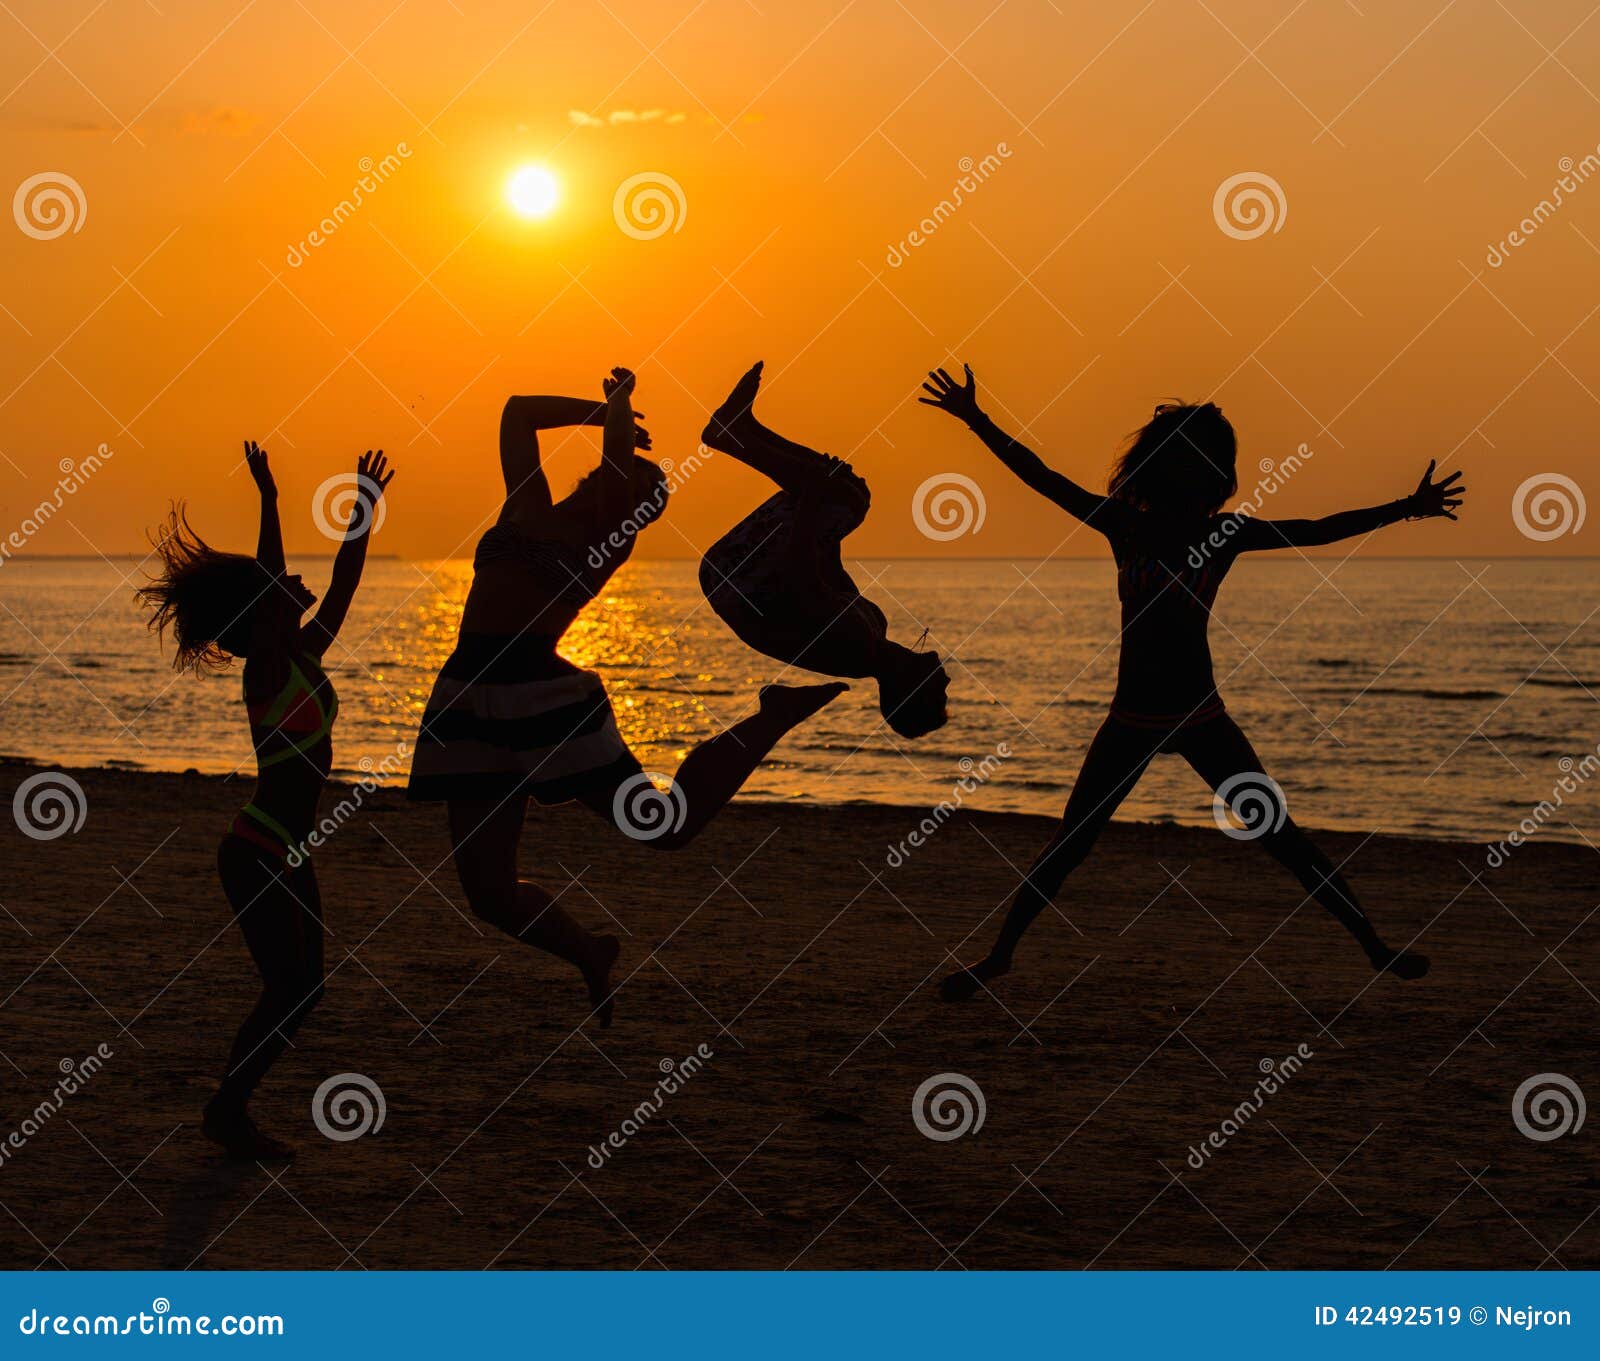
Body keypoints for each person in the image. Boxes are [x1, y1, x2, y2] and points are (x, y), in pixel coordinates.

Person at [919, 365, 1465, 1000]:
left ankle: (1374, 946)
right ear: (1164, 465)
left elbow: (1319, 529)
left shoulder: (1223, 535)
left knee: (1280, 835)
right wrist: (975, 419)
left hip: (1199, 715)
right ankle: (1000, 957)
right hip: (1132, 717)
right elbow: (1040, 477)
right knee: (1072, 842)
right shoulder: (1125, 525)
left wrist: (1407, 508)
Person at [407, 368, 844, 1025]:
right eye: (641, 480)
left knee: (663, 826)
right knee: (489, 893)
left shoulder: (604, 536)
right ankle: (589, 951)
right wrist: (596, 407)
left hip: (539, 692)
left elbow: (615, 467)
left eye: (646, 496)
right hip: (468, 694)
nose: (634, 488)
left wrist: (618, 403)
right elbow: (518, 410)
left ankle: (767, 720)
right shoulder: (528, 505)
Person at [137, 443, 394, 1159]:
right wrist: (271, 505)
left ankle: (229, 1108)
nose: (294, 585)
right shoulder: (268, 673)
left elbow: (339, 582)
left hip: (289, 852)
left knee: (306, 989)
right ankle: (227, 1111)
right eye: (278, 590)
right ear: (263, 615)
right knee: (288, 988)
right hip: (257, 854)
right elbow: (270, 578)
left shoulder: (301, 653)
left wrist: (358, 511)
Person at [698, 361, 950, 736]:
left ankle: (730, 433)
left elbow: (802, 574)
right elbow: (829, 570)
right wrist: (821, 490)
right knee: (847, 493)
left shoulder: (855, 644)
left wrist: (813, 496)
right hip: (741, 578)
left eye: (940, 695)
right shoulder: (873, 634)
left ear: (910, 687)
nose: (947, 685)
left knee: (843, 500)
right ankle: (742, 428)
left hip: (734, 580)